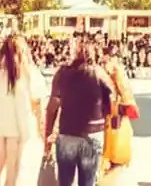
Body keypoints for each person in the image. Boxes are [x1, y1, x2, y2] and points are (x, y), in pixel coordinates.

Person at [0, 35, 47, 186]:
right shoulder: (27, 69)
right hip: (19, 124)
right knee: (13, 162)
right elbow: (37, 98)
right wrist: (41, 123)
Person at [44, 36, 113, 186]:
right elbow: (111, 103)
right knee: (87, 183)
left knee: (65, 183)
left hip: (67, 134)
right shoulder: (99, 73)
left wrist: (47, 136)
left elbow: (52, 107)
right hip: (92, 135)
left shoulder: (62, 73)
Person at [100, 44, 137, 172]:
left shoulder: (104, 68)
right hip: (116, 103)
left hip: (106, 103)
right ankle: (114, 156)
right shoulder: (115, 68)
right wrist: (128, 101)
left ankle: (108, 156)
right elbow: (123, 86)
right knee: (116, 128)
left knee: (109, 129)